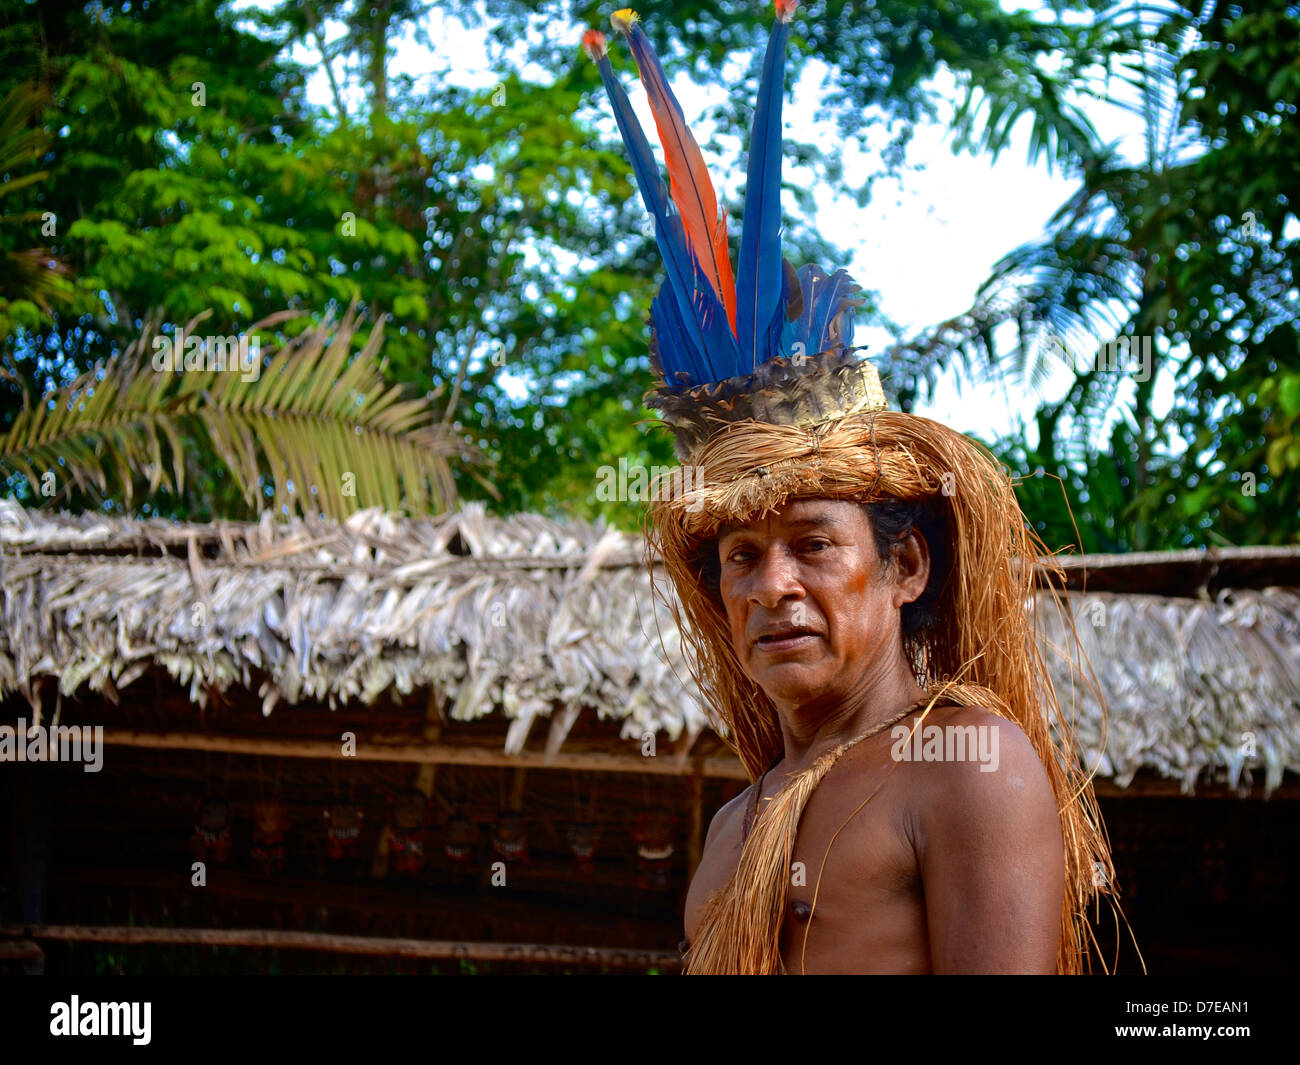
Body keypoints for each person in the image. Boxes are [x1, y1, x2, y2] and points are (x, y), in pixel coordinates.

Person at [583, 2, 1113, 974]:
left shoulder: (966, 769)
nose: (770, 584)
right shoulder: (736, 827)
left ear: (904, 564)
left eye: (813, 545)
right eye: (741, 556)